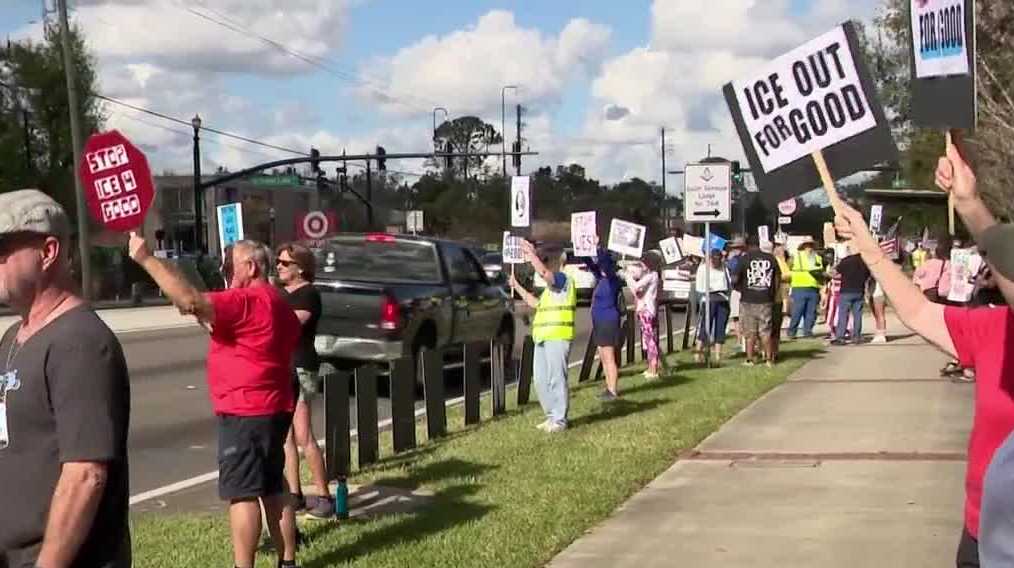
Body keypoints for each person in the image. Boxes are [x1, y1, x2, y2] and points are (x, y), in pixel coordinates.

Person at [835, 138, 1014, 568]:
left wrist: (973, 209)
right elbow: (917, 310)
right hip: (982, 539)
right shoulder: (997, 330)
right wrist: (867, 245)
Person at [128, 235, 301, 568]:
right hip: (274, 407)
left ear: (250, 267)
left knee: (243, 493)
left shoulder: (245, 300)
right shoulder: (277, 303)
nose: (226, 271)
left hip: (243, 411)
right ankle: (287, 561)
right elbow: (244, 334)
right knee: (273, 487)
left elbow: (189, 300)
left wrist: (147, 258)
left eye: (230, 264)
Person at [0, 190, 131, 568]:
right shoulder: (14, 336)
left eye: (3, 248)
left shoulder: (80, 343)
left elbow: (85, 475)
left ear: (49, 251)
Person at [275, 243, 334, 520]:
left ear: (301, 267)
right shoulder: (279, 293)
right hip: (280, 367)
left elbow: (291, 324)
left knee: (303, 434)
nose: (279, 266)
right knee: (285, 437)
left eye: (285, 263)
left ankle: (324, 495)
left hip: (301, 367)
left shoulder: (309, 294)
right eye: (277, 261)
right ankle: (295, 494)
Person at [509, 241, 575, 433]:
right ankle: (551, 416)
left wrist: (531, 256)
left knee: (556, 378)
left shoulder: (564, 281)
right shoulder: (550, 291)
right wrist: (517, 287)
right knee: (540, 379)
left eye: (546, 262)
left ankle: (560, 419)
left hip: (558, 337)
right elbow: (534, 303)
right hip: (543, 338)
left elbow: (545, 274)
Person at [584, 240, 624, 401]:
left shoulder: (613, 279)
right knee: (603, 355)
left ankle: (613, 390)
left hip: (608, 320)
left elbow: (604, 263)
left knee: (609, 358)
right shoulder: (601, 277)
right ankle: (608, 387)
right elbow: (590, 263)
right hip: (600, 321)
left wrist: (598, 247)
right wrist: (582, 247)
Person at [733, 235, 780, 366]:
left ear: (747, 246)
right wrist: (772, 294)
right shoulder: (771, 258)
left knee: (750, 333)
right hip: (766, 300)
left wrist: (740, 289)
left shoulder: (744, 259)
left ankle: (750, 359)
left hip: (748, 300)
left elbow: (735, 279)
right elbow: (777, 278)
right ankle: (769, 360)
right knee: (765, 331)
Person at [624, 254, 661, 379]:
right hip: (643, 309)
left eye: (644, 263)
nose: (642, 266)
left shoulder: (652, 275)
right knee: (647, 339)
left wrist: (627, 277)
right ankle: (650, 367)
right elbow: (638, 291)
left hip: (647, 310)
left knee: (650, 340)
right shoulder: (649, 276)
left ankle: (654, 368)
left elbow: (636, 286)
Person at [694, 250, 732, 364]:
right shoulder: (702, 269)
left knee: (720, 328)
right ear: (709, 258)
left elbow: (728, 284)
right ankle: (698, 354)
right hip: (708, 299)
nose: (716, 262)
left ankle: (717, 356)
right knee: (705, 328)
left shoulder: (724, 268)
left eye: (718, 259)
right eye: (713, 259)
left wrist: (727, 295)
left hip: (722, 299)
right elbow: (699, 287)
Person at [832, 244, 871, 346]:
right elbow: (868, 276)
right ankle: (856, 336)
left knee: (843, 315)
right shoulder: (864, 263)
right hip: (859, 290)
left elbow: (835, 272)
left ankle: (840, 337)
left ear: (850, 251)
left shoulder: (845, 261)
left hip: (846, 291)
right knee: (857, 315)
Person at [786, 240, 824, 338]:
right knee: (797, 311)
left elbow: (820, 273)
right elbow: (788, 267)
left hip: (813, 287)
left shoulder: (818, 258)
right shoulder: (795, 256)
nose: (810, 248)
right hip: (799, 287)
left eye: (811, 246)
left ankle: (807, 331)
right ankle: (792, 332)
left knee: (811, 312)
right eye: (807, 246)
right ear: (803, 247)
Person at [771, 243, 792, 358]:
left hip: (784, 292)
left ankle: (775, 350)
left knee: (777, 324)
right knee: (773, 326)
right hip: (778, 293)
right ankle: (771, 351)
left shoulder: (784, 262)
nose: (782, 252)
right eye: (780, 250)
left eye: (783, 250)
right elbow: (782, 275)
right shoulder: (776, 261)